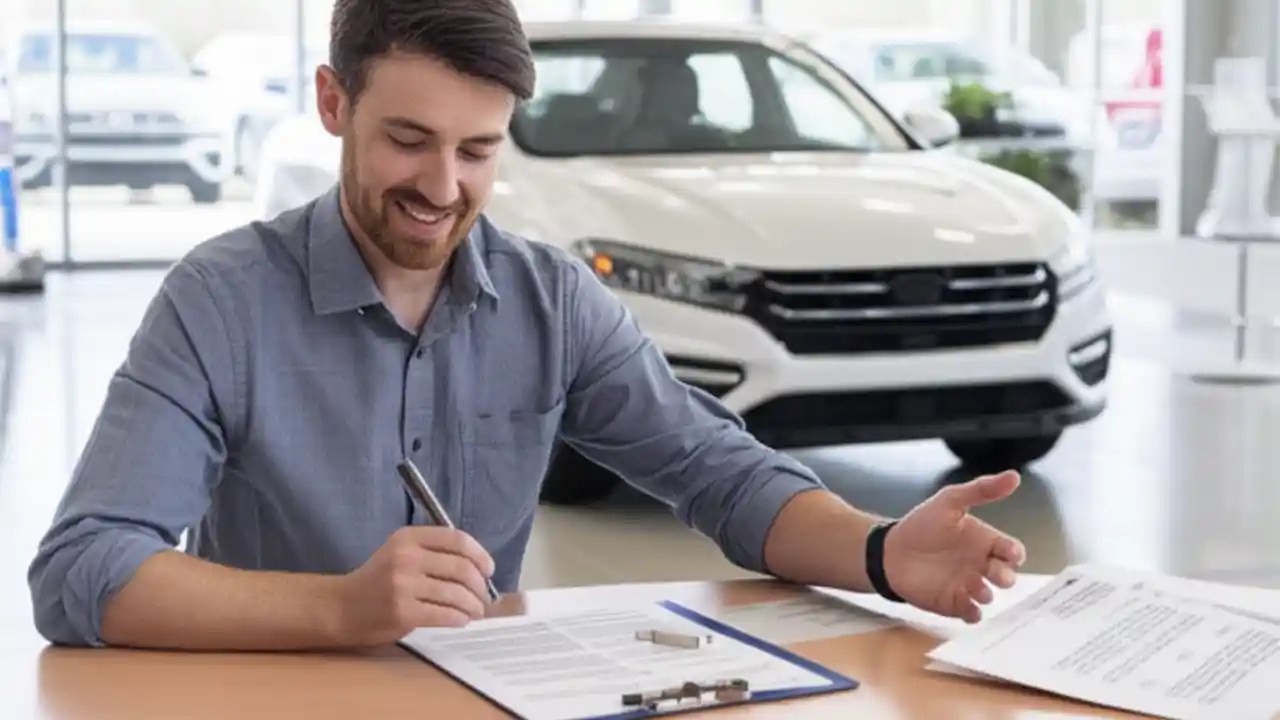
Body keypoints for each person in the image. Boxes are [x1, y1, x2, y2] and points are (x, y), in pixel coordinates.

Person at [28, 0, 1027, 651]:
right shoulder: (221, 300)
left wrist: (880, 550)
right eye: (408, 142)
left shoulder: (548, 298)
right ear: (334, 104)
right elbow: (82, 570)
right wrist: (335, 609)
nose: (442, 187)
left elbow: (719, 474)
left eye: (477, 150)